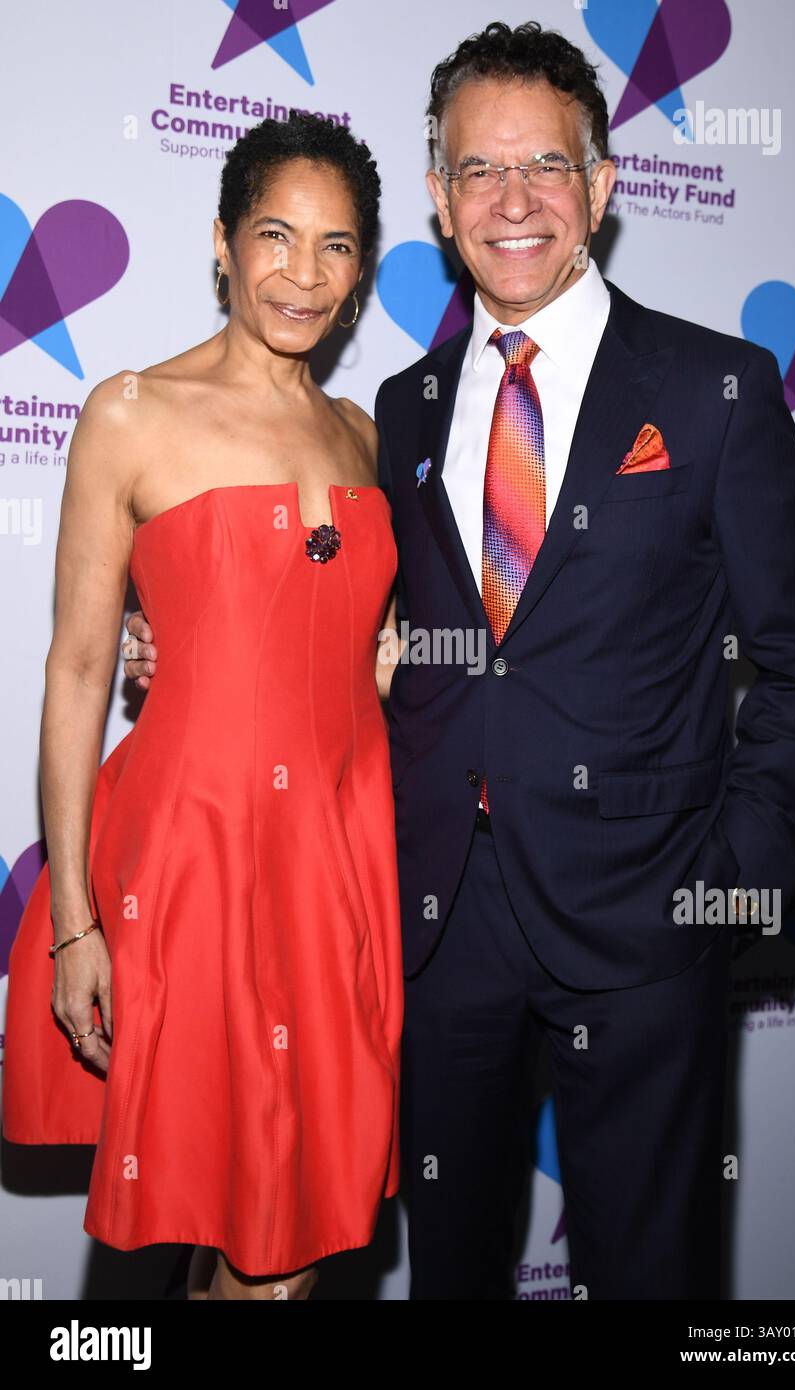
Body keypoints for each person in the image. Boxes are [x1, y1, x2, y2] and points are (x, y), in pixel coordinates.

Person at [131, 22, 795, 1300]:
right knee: (448, 1272)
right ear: (436, 195)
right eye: (476, 170)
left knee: (652, 1276)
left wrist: (731, 885)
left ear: (603, 185)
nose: (512, 200)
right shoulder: (399, 408)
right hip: (431, 926)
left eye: (546, 168)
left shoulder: (712, 388)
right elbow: (366, 634)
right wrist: (181, 642)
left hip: (646, 931)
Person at [2, 114, 404, 1301]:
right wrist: (77, 921)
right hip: (190, 860)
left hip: (334, 861)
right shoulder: (131, 413)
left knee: (297, 1249)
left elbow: (352, 638)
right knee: (195, 1217)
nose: (303, 272)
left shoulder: (367, 441)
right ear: (222, 244)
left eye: (336, 246)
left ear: (362, 268)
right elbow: (79, 670)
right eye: (275, 236)